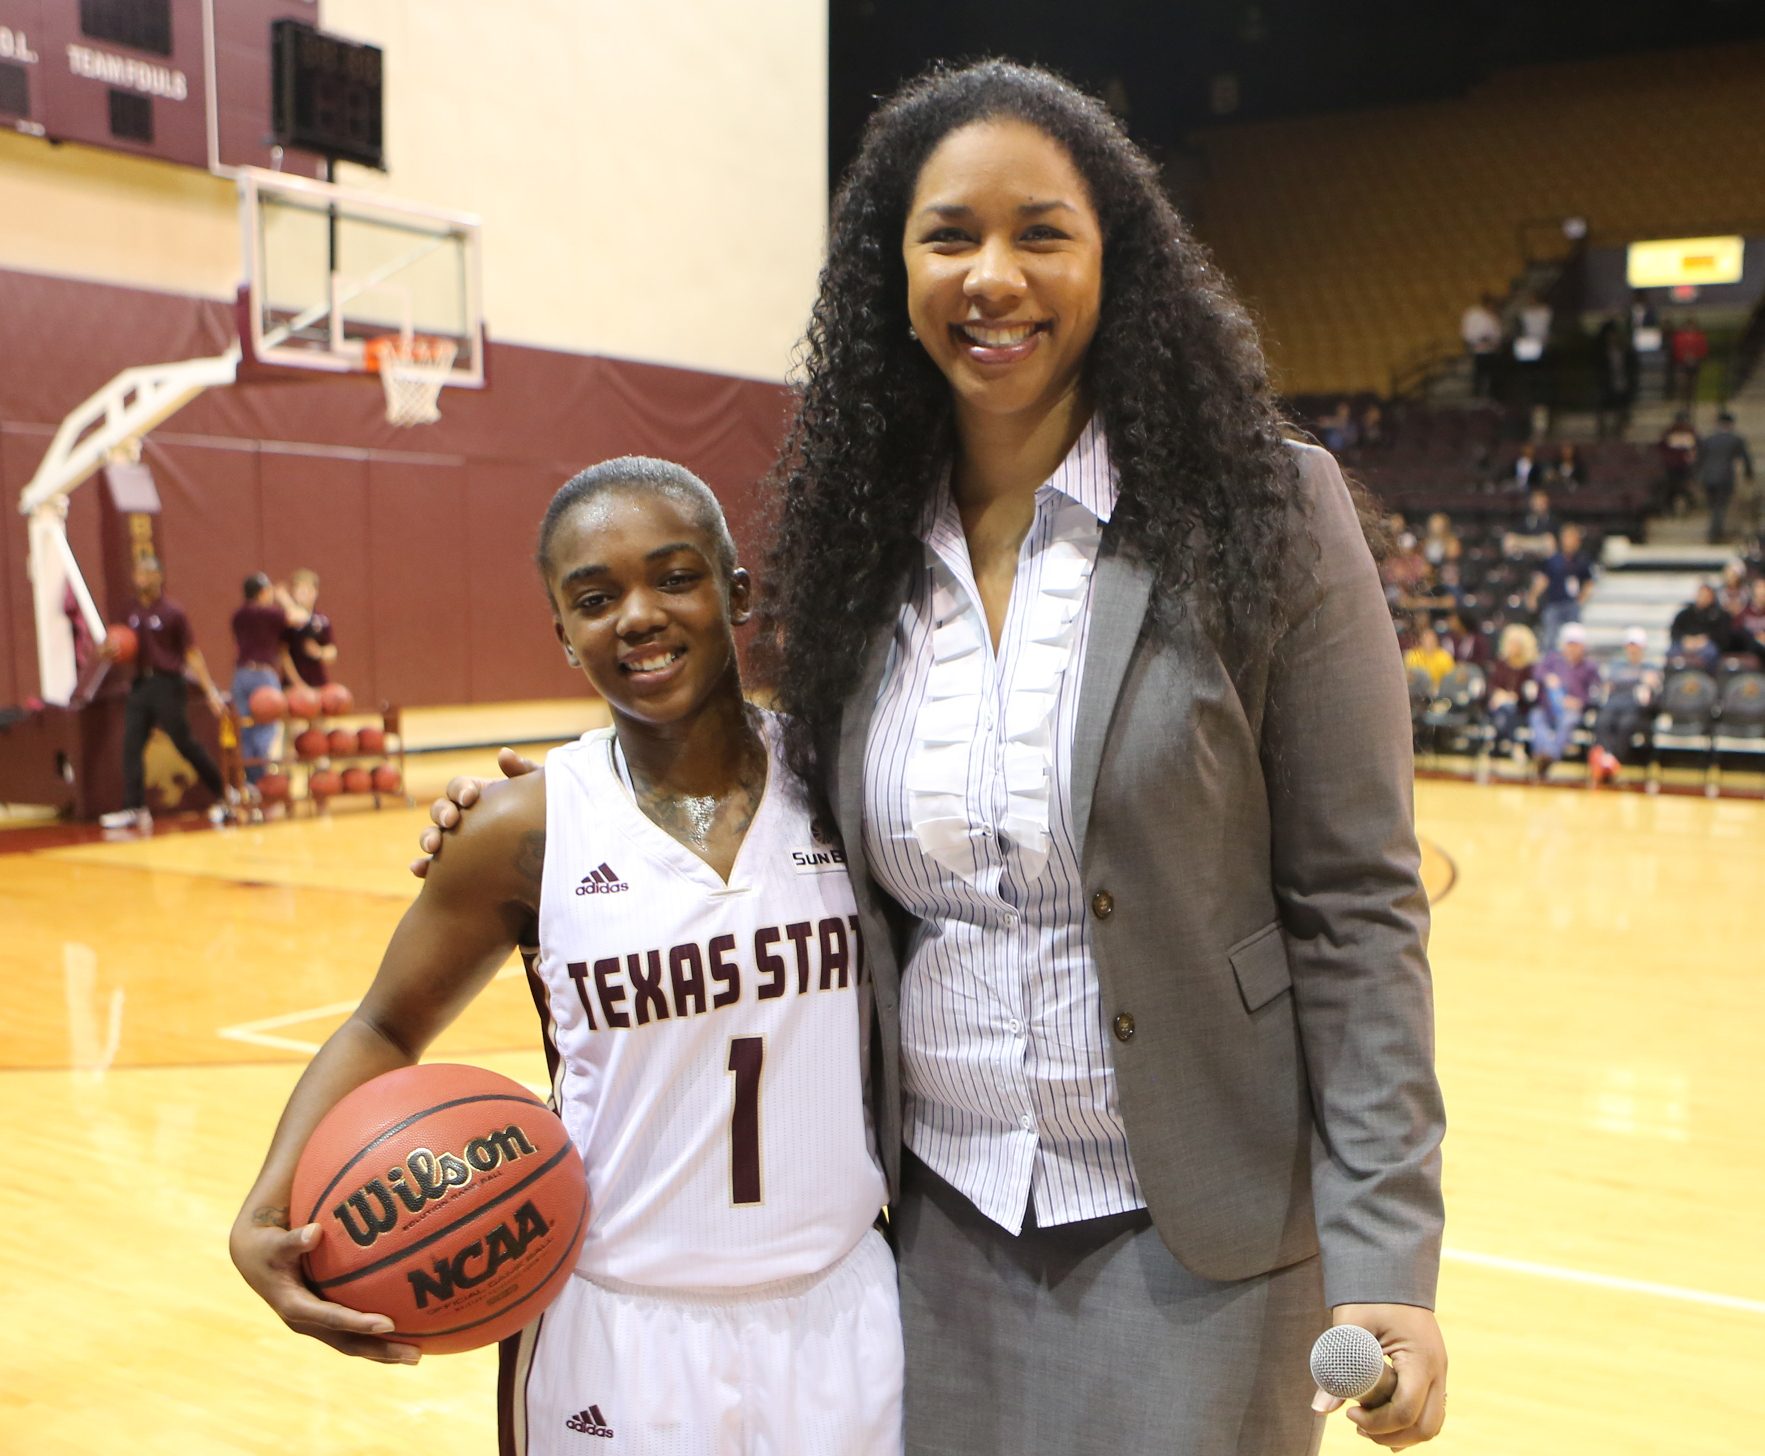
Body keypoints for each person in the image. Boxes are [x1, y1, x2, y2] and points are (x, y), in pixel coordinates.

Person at [422, 61, 1448, 1456]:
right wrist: (538, 810)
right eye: (948, 236)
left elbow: (1356, 909)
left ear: (1112, 259)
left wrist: (1385, 1257)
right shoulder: (854, 547)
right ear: (890, 272)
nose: (994, 276)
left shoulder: (1267, 506)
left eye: (1041, 233)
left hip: (1195, 1240)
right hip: (935, 1231)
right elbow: (759, 775)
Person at [233, 459, 902, 1456]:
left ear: (737, 589)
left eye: (674, 577)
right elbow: (386, 1024)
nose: (638, 615)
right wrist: (265, 1207)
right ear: (561, 631)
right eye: (595, 597)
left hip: (839, 1303)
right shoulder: (521, 827)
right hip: (618, 1323)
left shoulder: (844, 776)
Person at [96, 556, 229, 832]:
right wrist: (106, 651)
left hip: (168, 684)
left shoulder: (173, 612)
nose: (142, 578)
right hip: (140, 685)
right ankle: (134, 808)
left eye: (148, 573)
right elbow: (114, 645)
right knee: (131, 745)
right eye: (138, 573)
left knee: (184, 743)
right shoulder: (129, 610)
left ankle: (224, 793)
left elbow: (192, 653)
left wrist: (210, 691)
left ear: (159, 577)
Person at [232, 573, 288, 785]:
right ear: (262, 593)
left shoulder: (237, 615)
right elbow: (298, 618)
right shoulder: (270, 614)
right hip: (262, 674)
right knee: (266, 724)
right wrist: (283, 598)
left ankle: (250, 781)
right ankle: (264, 779)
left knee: (244, 727)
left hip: (241, 674)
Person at [1588, 628, 1661, 784]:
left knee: (1625, 724)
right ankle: (1606, 760)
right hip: (1614, 704)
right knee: (1602, 721)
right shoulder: (1617, 664)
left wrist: (1628, 680)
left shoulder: (1651, 667)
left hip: (1635, 708)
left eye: (1636, 646)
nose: (1633, 650)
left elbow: (1653, 688)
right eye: (1630, 646)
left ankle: (1611, 761)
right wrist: (1639, 678)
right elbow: (1610, 681)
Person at [1529, 623, 1601, 769]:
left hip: (1571, 710)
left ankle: (1549, 755)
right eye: (1569, 645)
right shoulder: (1552, 660)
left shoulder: (1590, 667)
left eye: (1576, 645)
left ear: (1583, 647)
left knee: (1569, 719)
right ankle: (1545, 753)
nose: (1572, 649)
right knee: (1536, 716)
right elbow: (1536, 673)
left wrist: (1579, 702)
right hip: (1548, 708)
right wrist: (1548, 677)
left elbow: (1596, 692)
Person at [1531, 521, 1596, 651]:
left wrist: (1581, 599)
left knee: (1575, 636)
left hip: (1571, 604)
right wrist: (1533, 596)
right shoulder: (1554, 559)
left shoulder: (1582, 560)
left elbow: (1589, 581)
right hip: (1554, 603)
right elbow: (1544, 579)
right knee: (1550, 637)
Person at [1696, 411, 1755, 545]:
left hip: (1708, 476)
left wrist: (1698, 477)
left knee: (1713, 505)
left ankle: (1714, 530)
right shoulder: (1736, 439)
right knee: (1721, 505)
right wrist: (1749, 474)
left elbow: (1699, 459)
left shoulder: (1709, 439)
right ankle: (1716, 532)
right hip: (1725, 476)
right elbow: (1746, 458)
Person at [1486, 623, 1539, 758]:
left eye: (1516, 644)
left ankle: (1499, 744)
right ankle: (1515, 744)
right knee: (1503, 709)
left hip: (1520, 709)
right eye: (1511, 643)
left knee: (1507, 711)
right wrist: (1498, 695)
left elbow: (1530, 692)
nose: (1513, 647)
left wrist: (1513, 697)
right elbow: (1491, 686)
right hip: (1498, 705)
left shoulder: (1529, 668)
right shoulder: (1500, 664)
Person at [278, 568, 337, 688]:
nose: (305, 595)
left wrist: (319, 652)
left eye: (309, 591)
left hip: (319, 682)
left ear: (316, 593)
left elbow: (332, 651)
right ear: (293, 593)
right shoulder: (287, 621)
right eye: (301, 591)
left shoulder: (321, 620)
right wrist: (299, 684)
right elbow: (283, 655)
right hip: (293, 685)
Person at [1670, 581, 1734, 667]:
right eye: (1701, 595)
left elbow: (1723, 637)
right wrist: (1686, 640)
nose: (1703, 598)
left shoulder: (1720, 615)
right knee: (1672, 652)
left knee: (1710, 652)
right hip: (1686, 644)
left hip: (1707, 646)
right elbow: (1675, 632)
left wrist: (1704, 640)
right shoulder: (1685, 614)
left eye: (1706, 596)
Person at [1658, 411, 1699, 517]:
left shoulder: (1670, 432)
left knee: (1673, 488)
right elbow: (1696, 446)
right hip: (1684, 465)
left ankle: (1670, 508)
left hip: (1671, 465)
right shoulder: (1690, 432)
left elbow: (1661, 447)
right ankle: (1689, 505)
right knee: (1681, 487)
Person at [1462, 294, 1502, 398]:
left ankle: (1491, 396)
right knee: (1479, 376)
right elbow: (1470, 334)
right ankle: (1477, 397)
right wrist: (1480, 339)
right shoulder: (1475, 315)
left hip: (1491, 351)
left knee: (1492, 377)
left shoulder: (1493, 317)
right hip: (1479, 351)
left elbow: (1496, 335)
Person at [1670, 318, 1708, 404]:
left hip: (1695, 364)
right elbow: (1676, 349)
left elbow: (1703, 349)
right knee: (1682, 385)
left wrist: (1695, 358)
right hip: (1681, 364)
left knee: (1692, 386)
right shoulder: (1679, 337)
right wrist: (1684, 357)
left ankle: (1690, 404)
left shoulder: (1699, 336)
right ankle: (1681, 404)